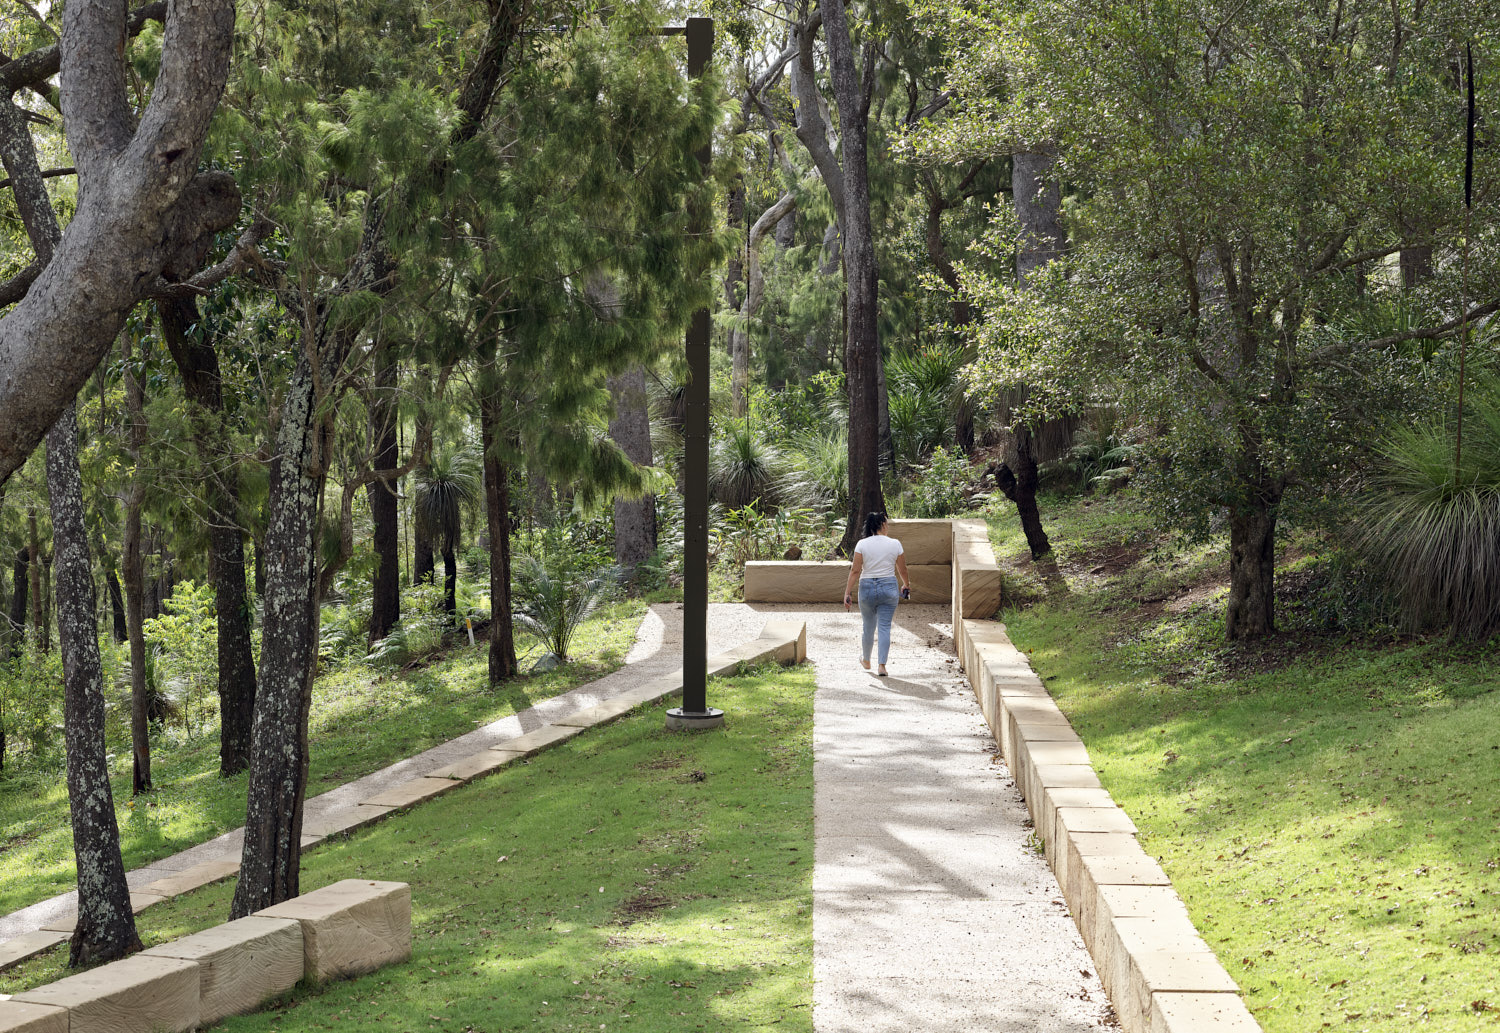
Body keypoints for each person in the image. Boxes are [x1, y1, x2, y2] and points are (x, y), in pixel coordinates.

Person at [843, 512, 911, 676]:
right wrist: (906, 585)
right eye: (887, 523)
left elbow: (855, 571)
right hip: (888, 587)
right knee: (884, 627)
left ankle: (866, 660)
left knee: (868, 627)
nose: (888, 527)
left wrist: (847, 592)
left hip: (866, 587)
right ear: (882, 524)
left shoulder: (862, 544)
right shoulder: (895, 544)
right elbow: (902, 569)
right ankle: (882, 666)